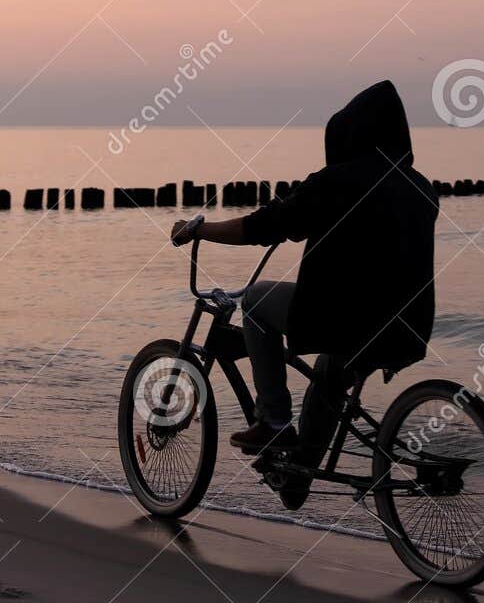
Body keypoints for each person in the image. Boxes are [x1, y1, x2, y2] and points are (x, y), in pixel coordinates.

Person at [171, 80, 438, 454]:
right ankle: (298, 478)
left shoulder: (338, 181)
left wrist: (200, 230)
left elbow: (262, 227)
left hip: (351, 320)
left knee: (256, 299)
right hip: (406, 327)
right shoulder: (420, 186)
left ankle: (273, 422)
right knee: (328, 379)